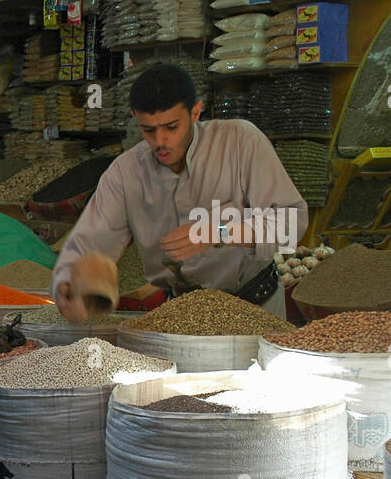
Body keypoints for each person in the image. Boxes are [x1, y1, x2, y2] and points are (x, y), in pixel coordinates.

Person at [52, 63, 306, 323]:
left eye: (171, 127)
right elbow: (89, 242)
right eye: (148, 130)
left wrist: (218, 232)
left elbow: (291, 223)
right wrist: (67, 285)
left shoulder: (241, 141)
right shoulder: (125, 172)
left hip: (255, 307)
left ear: (196, 111)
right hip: (180, 316)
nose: (160, 141)